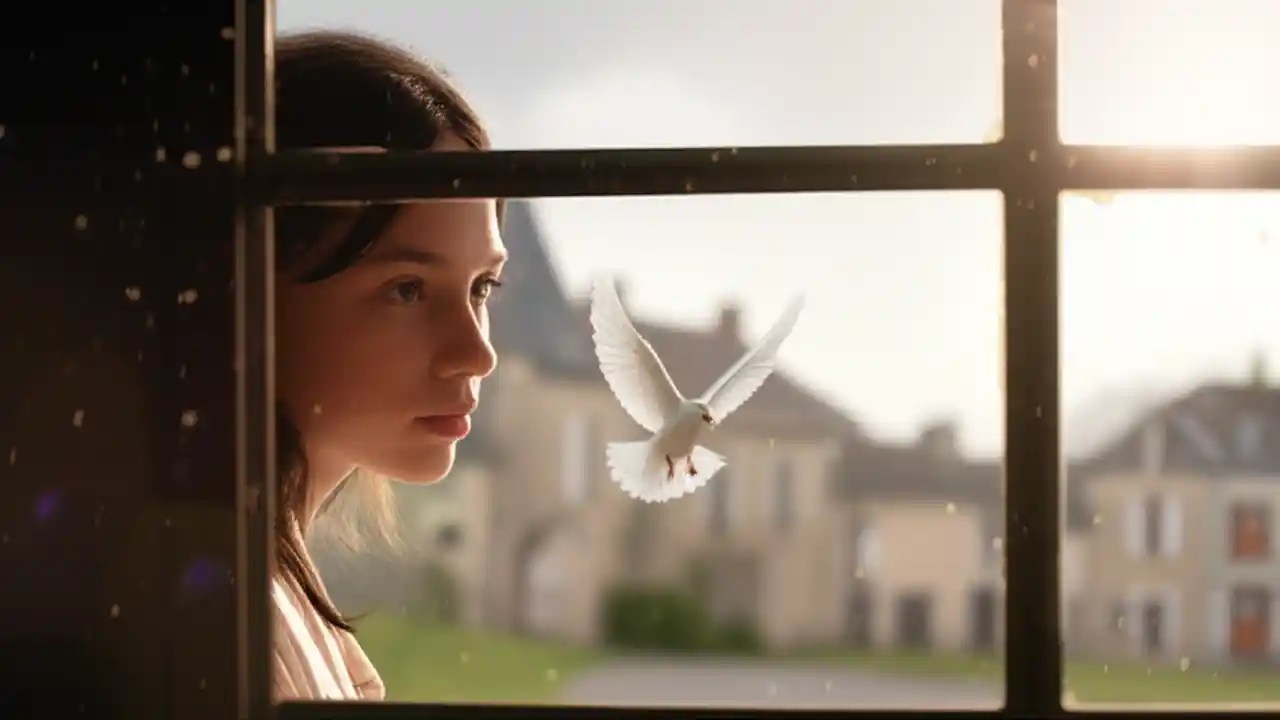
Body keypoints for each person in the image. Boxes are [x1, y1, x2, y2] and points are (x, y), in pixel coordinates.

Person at [270, 30, 505, 701]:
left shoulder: (273, 591)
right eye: (407, 288)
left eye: (482, 288)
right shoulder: (228, 619)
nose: (478, 352)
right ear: (253, 282)